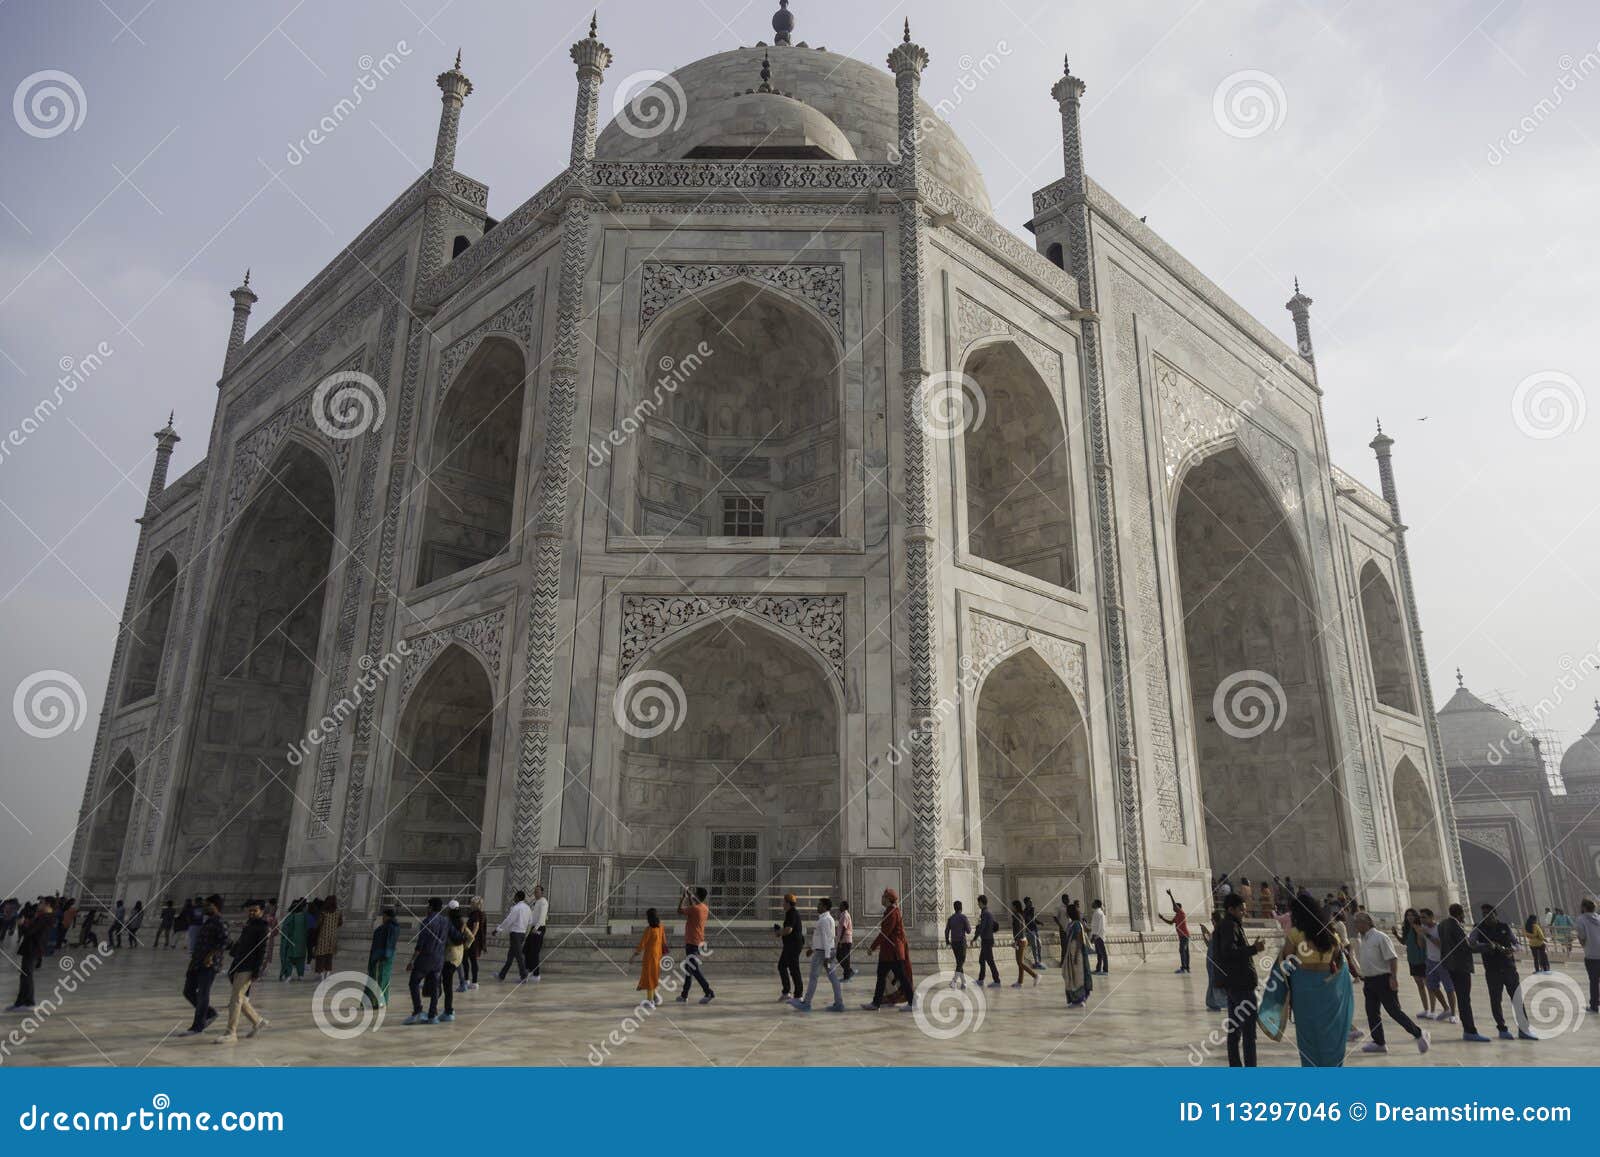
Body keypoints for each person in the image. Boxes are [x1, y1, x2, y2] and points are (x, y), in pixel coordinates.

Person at [1267, 892, 1354, 1066]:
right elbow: (1339, 961)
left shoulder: (1296, 934)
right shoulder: (1331, 933)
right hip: (1329, 990)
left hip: (1304, 989)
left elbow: (1286, 963)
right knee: (1331, 1031)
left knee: (1308, 1035)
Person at [1351, 912, 1428, 1055]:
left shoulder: (1380, 937)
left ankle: (1419, 1033)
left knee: (1394, 1011)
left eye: (1358, 922)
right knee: (1372, 1013)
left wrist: (1393, 978)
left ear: (1367, 922)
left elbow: (1392, 958)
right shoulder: (1363, 939)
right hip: (1369, 981)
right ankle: (1379, 1042)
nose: (1355, 925)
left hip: (1383, 979)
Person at [1212, 893, 1263, 1066]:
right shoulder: (1230, 926)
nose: (1244, 913)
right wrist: (1253, 949)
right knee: (1248, 1033)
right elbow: (1229, 953)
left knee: (1234, 1031)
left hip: (1234, 986)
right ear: (1230, 909)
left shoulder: (1228, 925)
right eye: (1241, 909)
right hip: (1241, 986)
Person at [1472, 904, 1535, 1040]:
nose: (1487, 917)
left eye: (1489, 914)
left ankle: (1524, 1030)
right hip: (1492, 970)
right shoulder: (1479, 929)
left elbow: (1517, 944)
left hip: (1509, 968)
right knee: (1496, 1000)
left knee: (1517, 999)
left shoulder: (1505, 927)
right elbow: (1471, 945)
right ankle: (1502, 1028)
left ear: (1495, 914)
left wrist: (1511, 949)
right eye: (1484, 915)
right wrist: (1486, 946)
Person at [217, 900, 271, 1044]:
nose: (252, 913)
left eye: (255, 910)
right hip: (238, 964)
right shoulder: (249, 924)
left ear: (262, 911)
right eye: (250, 910)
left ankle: (231, 1032)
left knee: (235, 999)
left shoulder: (263, 927)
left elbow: (262, 950)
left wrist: (257, 971)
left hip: (248, 966)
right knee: (240, 998)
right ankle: (258, 1021)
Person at [1437, 903, 1490, 1042]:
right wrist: (1487, 946)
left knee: (1462, 998)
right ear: (1461, 914)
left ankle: (1469, 1030)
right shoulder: (1455, 926)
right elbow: (1467, 947)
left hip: (1450, 966)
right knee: (1464, 999)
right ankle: (1470, 1031)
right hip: (1461, 967)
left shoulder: (1442, 924)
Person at [861, 887, 914, 1011]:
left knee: (901, 977)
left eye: (883, 897)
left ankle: (912, 1002)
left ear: (888, 899)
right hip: (888, 952)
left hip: (893, 952)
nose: (881, 899)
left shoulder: (893, 913)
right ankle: (876, 1003)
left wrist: (872, 947)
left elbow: (885, 933)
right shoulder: (890, 911)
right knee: (881, 977)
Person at [183, 896, 228, 1035]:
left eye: (208, 905)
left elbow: (225, 942)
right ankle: (209, 1013)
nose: (205, 907)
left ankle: (198, 1026)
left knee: (203, 994)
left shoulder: (220, 922)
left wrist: (210, 955)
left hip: (209, 964)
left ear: (216, 906)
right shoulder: (208, 921)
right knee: (188, 991)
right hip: (197, 962)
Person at [792, 897, 845, 1012]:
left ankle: (806, 1003)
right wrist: (812, 948)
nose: (817, 907)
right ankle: (839, 1003)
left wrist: (826, 956)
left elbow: (826, 939)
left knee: (813, 978)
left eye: (819, 905)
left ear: (825, 907)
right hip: (827, 951)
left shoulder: (824, 920)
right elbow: (822, 938)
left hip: (822, 954)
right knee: (833, 978)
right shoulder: (828, 918)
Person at [405, 897, 448, 1025]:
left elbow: (420, 944)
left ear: (430, 907)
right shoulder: (446, 922)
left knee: (414, 982)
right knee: (435, 986)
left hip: (425, 959)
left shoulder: (427, 922)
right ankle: (432, 1015)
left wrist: (412, 961)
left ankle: (418, 1010)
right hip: (439, 959)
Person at [7, 897, 52, 1010]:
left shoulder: (45, 917)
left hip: (33, 949)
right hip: (31, 948)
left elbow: (30, 932)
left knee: (27, 975)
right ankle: (22, 1002)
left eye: (41, 903)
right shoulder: (41, 916)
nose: (39, 904)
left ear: (48, 904)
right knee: (25, 975)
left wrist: (22, 924)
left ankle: (28, 1003)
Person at [675, 886, 715, 1004]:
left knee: (694, 969)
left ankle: (708, 992)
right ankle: (684, 995)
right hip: (698, 941)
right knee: (689, 970)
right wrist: (690, 897)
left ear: (697, 896)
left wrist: (683, 898)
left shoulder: (695, 909)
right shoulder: (704, 908)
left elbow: (679, 910)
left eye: (695, 894)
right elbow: (694, 908)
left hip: (692, 942)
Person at [1418, 909, 1456, 1023]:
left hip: (1443, 961)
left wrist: (1427, 934)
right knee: (1432, 986)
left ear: (1431, 917)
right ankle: (1446, 1008)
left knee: (1449, 988)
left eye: (1424, 917)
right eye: (1420, 917)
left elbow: (1442, 945)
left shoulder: (1439, 928)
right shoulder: (1424, 929)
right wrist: (1420, 935)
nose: (1421, 919)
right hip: (1430, 961)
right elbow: (1421, 946)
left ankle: (1453, 1014)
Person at [630, 907, 668, 1005]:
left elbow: (642, 944)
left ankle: (650, 1000)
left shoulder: (649, 930)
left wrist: (634, 956)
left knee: (649, 978)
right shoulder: (661, 927)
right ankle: (655, 997)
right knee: (654, 976)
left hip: (649, 957)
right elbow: (664, 942)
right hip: (657, 957)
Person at [1059, 901, 1092, 1008]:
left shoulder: (1077, 924)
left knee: (1078, 977)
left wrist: (1076, 956)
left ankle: (1079, 999)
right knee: (1071, 976)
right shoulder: (1072, 924)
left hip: (1077, 954)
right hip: (1071, 953)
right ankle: (1075, 999)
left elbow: (1078, 939)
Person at [1398, 909, 1431, 1016]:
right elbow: (1404, 942)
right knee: (1419, 985)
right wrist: (1395, 934)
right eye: (1408, 915)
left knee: (1428, 985)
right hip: (1412, 959)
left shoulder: (1419, 927)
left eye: (1412, 915)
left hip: (1422, 959)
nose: (1410, 917)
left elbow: (1423, 943)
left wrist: (1419, 933)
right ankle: (1426, 1009)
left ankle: (1433, 1009)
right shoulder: (1406, 928)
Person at [496, 890, 534, 982]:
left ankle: (524, 976)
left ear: (517, 897)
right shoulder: (528, 908)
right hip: (522, 934)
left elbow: (509, 920)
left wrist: (498, 929)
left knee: (519, 956)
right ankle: (502, 975)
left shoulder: (516, 908)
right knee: (511, 956)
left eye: (515, 897)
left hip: (515, 934)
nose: (514, 898)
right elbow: (530, 921)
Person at [440, 903, 468, 1022]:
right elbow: (470, 936)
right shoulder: (462, 921)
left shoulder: (447, 922)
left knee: (446, 984)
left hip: (448, 954)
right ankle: (448, 1010)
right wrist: (463, 947)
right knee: (448, 982)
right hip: (458, 955)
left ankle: (448, 1011)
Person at [366, 908, 399, 1008]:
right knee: (385, 979)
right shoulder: (396, 927)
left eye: (384, 916)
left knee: (377, 979)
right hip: (389, 957)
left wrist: (378, 957)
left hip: (381, 958)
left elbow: (382, 944)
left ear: (387, 916)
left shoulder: (385, 928)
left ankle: (375, 1002)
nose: (383, 918)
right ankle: (382, 1001)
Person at [776, 892, 804, 1001]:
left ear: (787, 903)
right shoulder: (791, 913)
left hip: (793, 945)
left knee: (794, 969)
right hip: (790, 945)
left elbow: (788, 930)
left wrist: (779, 933)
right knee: (782, 965)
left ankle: (798, 995)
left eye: (783, 902)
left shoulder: (791, 913)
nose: (782, 904)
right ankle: (786, 992)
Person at [1156, 891, 1191, 973]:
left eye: (1175, 907)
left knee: (1182, 950)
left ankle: (1183, 968)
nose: (1173, 908)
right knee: (1185, 951)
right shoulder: (1177, 916)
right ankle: (1187, 967)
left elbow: (1174, 905)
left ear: (1178, 908)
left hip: (1184, 936)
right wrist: (1162, 918)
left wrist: (1170, 895)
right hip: (1183, 936)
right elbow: (1170, 923)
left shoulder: (1182, 913)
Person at [1200, 909, 1227, 1012]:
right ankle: (1213, 1003)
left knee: (1216, 981)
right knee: (1213, 981)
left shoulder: (1219, 932)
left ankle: (1217, 1003)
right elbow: (1209, 943)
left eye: (1212, 920)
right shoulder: (1218, 931)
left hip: (1215, 961)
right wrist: (1204, 933)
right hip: (1213, 960)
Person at [521, 884, 548, 982]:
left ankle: (536, 975)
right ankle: (528, 971)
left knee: (534, 952)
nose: (535, 892)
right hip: (533, 928)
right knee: (526, 950)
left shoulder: (543, 902)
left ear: (542, 892)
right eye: (535, 891)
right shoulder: (536, 902)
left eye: (537, 891)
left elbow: (542, 916)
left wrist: (536, 928)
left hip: (539, 928)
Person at [1577, 899, 1600, 1011]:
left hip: (1591, 955)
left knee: (1594, 981)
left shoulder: (1581, 919)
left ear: (1584, 908)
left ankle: (1594, 1005)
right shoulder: (1599, 918)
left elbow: (1582, 938)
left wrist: (1582, 942)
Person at [1009, 900, 1039, 987]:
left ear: (1015, 907)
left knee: (1020, 962)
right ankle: (1020, 982)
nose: (1011, 908)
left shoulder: (1017, 916)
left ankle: (1035, 975)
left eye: (1012, 906)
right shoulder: (1019, 915)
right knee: (1020, 962)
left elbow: (1019, 930)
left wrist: (1016, 941)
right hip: (1021, 940)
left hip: (1021, 941)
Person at [973, 895, 1001, 987]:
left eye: (978, 902)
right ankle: (981, 979)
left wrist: (975, 937)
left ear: (981, 902)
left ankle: (996, 981)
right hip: (988, 939)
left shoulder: (985, 913)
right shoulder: (988, 912)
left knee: (990, 961)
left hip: (987, 940)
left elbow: (982, 927)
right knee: (982, 960)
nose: (978, 904)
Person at [278, 899, 308, 981]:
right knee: (300, 959)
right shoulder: (305, 916)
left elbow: (285, 930)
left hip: (291, 942)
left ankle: (288, 976)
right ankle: (300, 975)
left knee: (288, 959)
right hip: (302, 943)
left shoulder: (290, 917)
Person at [944, 899, 970, 987]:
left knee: (959, 962)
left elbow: (946, 931)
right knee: (960, 962)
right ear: (961, 908)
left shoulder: (951, 918)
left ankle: (963, 982)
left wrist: (947, 941)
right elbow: (969, 930)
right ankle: (954, 981)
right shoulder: (963, 918)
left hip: (954, 943)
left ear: (954, 908)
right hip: (961, 942)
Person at [312, 895, 341, 976]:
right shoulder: (338, 912)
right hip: (333, 937)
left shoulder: (323, 913)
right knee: (329, 955)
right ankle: (328, 973)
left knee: (320, 955)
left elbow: (318, 924)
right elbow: (340, 923)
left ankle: (321, 974)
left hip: (323, 936)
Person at [462, 897, 485, 991]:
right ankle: (472, 981)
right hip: (476, 940)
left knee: (468, 960)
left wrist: (471, 938)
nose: (470, 904)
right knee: (471, 960)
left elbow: (476, 926)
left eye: (472, 903)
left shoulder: (475, 914)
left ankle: (470, 980)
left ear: (476, 904)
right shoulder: (480, 913)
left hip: (472, 941)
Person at [1089, 899, 1109, 974]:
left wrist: (1096, 935)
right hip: (1096, 936)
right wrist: (1092, 936)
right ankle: (1098, 969)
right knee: (1099, 953)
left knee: (1103, 953)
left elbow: (1101, 926)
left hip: (1099, 936)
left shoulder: (1100, 913)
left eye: (1093, 903)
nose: (1092, 904)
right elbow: (1094, 926)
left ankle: (1105, 970)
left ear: (1096, 904)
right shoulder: (1096, 913)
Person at [836, 900, 854, 981]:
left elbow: (844, 927)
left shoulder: (845, 915)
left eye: (840, 905)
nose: (839, 907)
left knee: (840, 956)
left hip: (845, 940)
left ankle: (848, 971)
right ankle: (847, 974)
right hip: (845, 939)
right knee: (845, 958)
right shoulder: (843, 914)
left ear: (844, 907)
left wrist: (840, 940)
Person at [1023, 897, 1043, 968]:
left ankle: (1039, 961)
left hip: (1035, 930)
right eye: (1029, 902)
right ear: (1026, 903)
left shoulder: (1032, 909)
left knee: (1039, 945)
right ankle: (1036, 961)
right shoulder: (1025, 912)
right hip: (1030, 930)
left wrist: (1039, 922)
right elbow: (1028, 920)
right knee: (1034, 946)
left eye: (1031, 902)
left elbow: (1034, 919)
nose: (1031, 903)